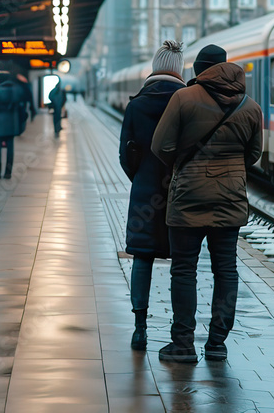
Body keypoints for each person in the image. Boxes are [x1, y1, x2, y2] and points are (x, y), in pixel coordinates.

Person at [151, 44, 263, 363]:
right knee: (225, 268)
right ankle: (216, 343)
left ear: (198, 69)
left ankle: (183, 344)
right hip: (229, 198)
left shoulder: (183, 98)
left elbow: (161, 145)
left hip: (188, 196)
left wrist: (183, 166)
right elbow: (253, 155)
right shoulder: (250, 106)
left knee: (184, 269)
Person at [118, 41, 187, 351]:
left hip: (146, 193)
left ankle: (139, 328)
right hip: (181, 192)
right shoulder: (187, 103)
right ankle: (178, 331)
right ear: (179, 68)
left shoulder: (136, 105)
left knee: (142, 257)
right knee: (181, 263)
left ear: (154, 66)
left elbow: (125, 154)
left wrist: (142, 178)